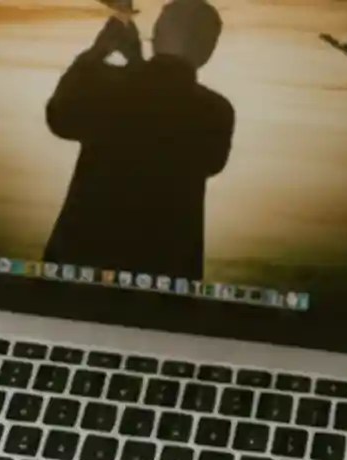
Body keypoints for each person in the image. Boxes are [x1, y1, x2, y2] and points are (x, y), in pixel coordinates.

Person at [42, 0, 233, 281]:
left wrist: (98, 52)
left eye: (161, 22)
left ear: (164, 32)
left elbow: (60, 117)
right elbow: (163, 111)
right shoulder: (216, 111)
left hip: (81, 261)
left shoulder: (113, 85)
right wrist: (137, 65)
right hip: (166, 273)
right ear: (207, 52)